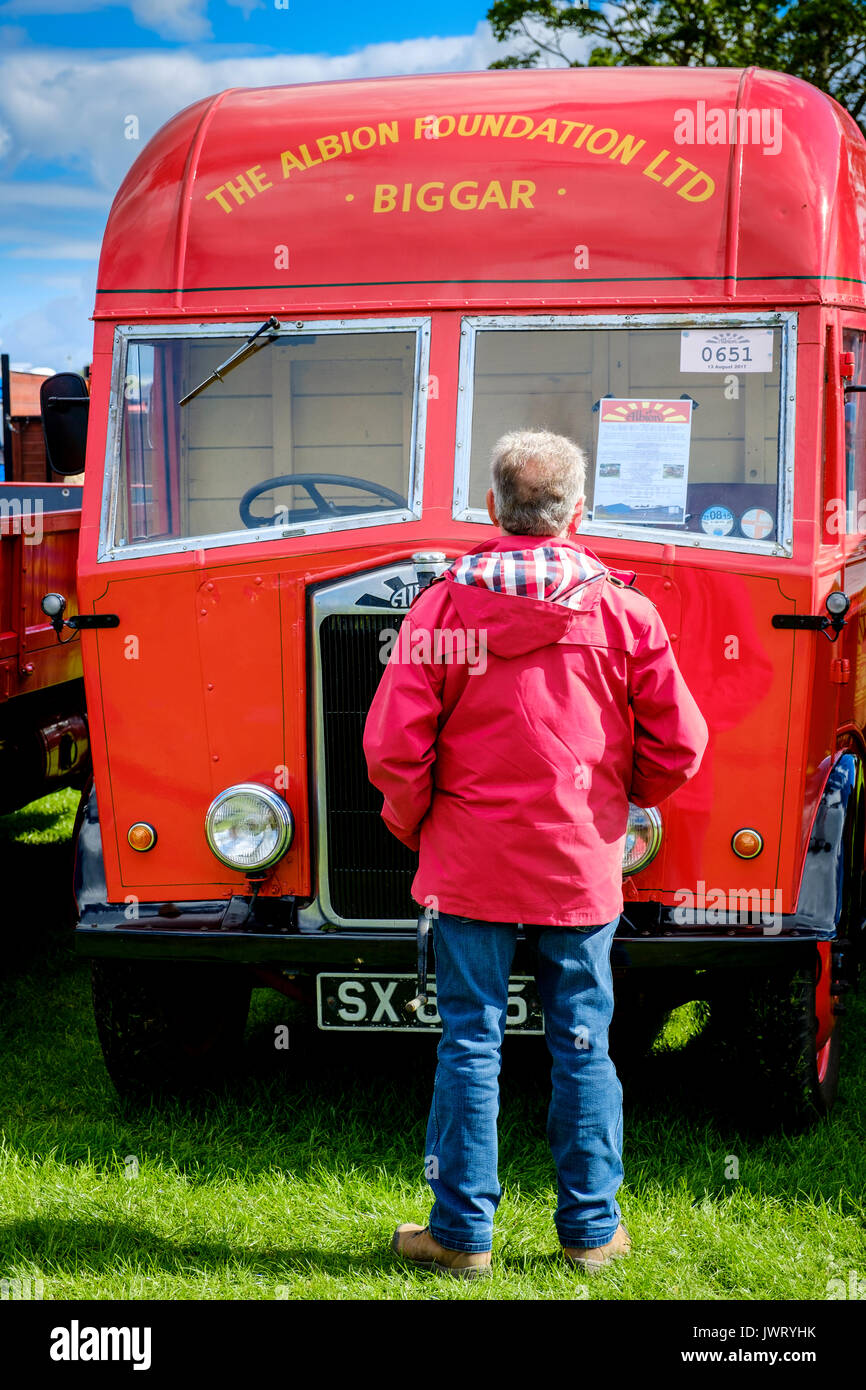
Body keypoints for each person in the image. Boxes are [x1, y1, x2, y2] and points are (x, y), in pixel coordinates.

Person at [362, 428, 708, 1278]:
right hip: (579, 866)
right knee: (584, 1042)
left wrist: (417, 827)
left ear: (492, 507)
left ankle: (458, 1237)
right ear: (577, 513)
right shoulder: (625, 612)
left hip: (469, 865)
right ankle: (591, 1233)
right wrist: (618, 807)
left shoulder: (441, 609)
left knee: (468, 1042)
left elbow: (392, 750)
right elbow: (681, 745)